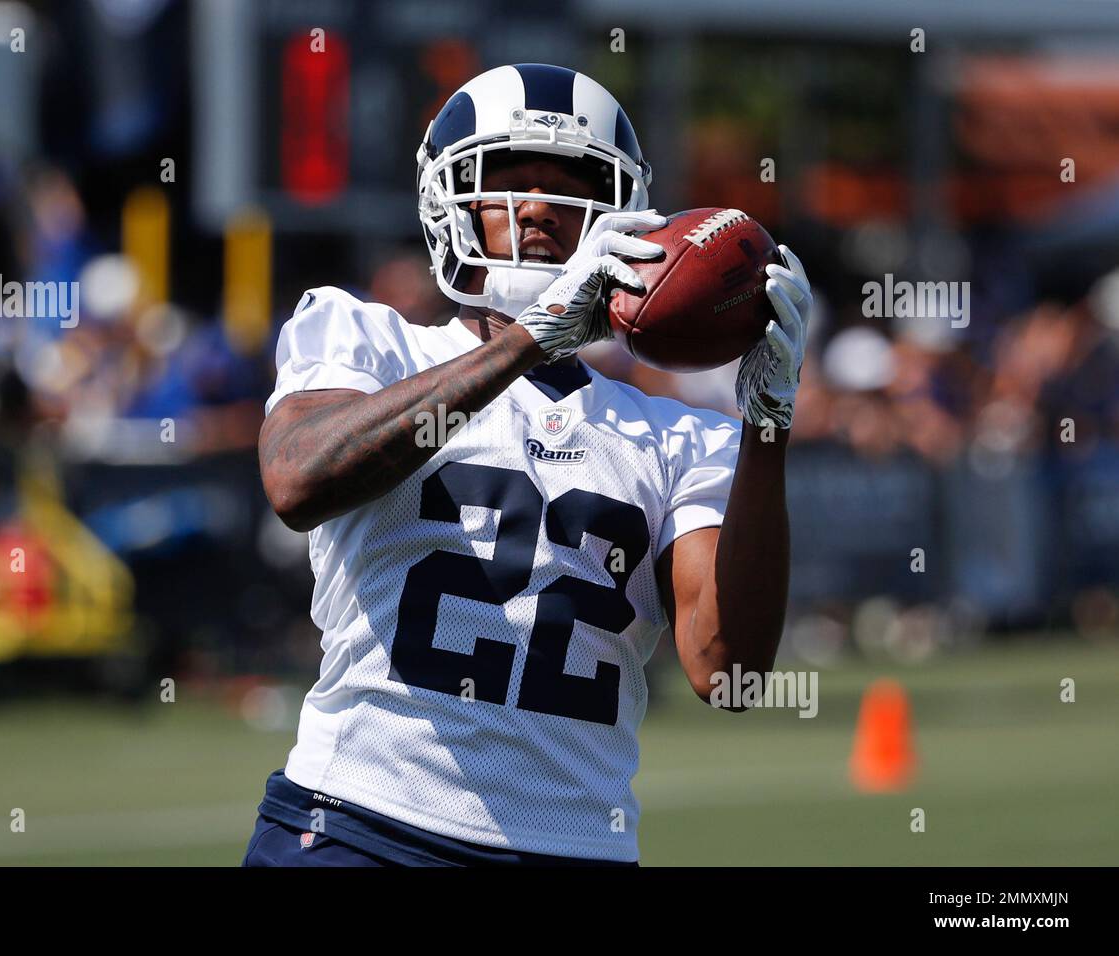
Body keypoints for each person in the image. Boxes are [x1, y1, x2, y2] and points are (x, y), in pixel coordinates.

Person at [244, 63, 813, 866]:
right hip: (359, 824)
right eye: (508, 177)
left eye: (571, 184)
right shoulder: (363, 337)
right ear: (451, 202)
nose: (540, 206)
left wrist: (768, 426)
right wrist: (528, 340)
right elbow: (298, 481)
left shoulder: (681, 437)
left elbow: (732, 676)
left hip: (574, 846)